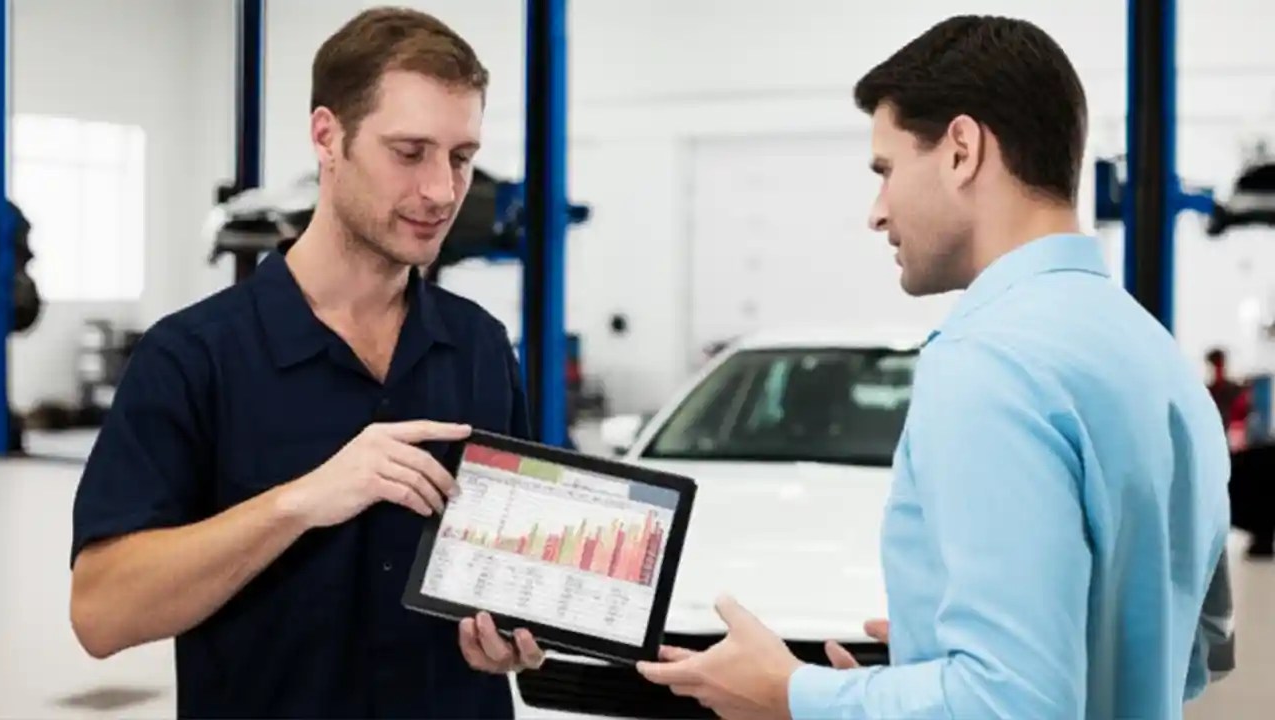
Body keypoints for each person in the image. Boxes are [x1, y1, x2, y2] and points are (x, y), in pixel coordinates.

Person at [637, 15, 1235, 720]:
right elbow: (1200, 650)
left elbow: (1013, 703)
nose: (877, 212)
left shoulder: (990, 364)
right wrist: (921, 670)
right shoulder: (1153, 352)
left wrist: (793, 693)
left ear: (960, 150)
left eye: (886, 171)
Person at [69, 8, 544, 718]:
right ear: (328, 136)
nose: (443, 190)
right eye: (409, 152)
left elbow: (518, 571)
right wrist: (301, 502)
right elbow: (103, 614)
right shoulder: (194, 358)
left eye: (461, 156)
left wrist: (515, 633)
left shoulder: (479, 347)